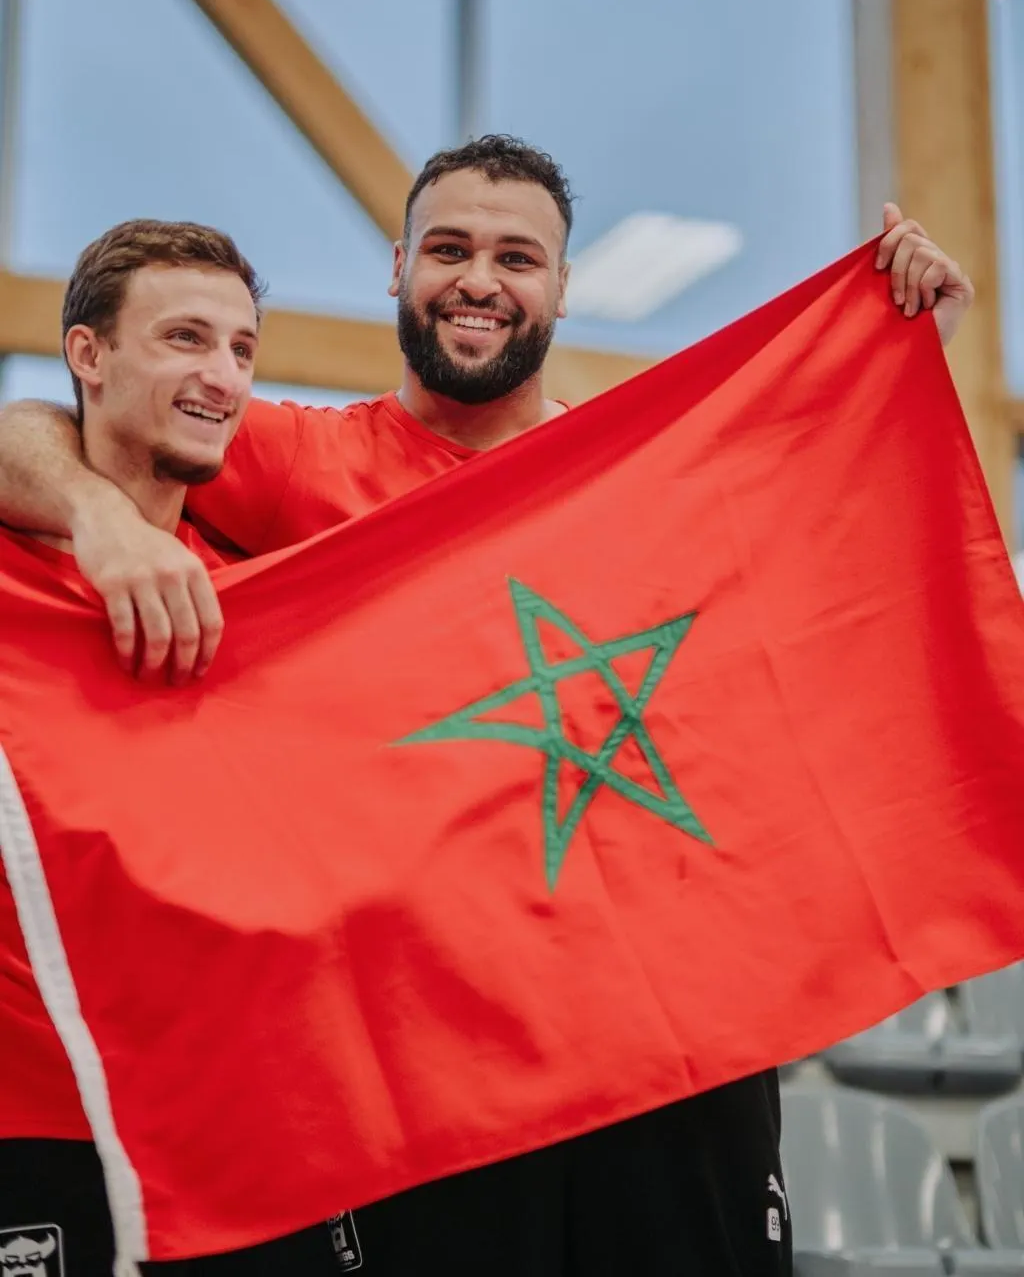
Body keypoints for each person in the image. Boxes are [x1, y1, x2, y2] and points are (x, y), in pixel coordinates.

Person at [0, 136, 975, 1276]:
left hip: (679, 1038)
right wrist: (100, 520)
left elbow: (835, 525)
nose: (479, 280)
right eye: (448, 249)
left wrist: (900, 350)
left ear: (562, 287)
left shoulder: (648, 478)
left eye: (517, 257)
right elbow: (50, 424)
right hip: (442, 1064)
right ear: (398, 267)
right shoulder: (299, 458)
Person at [0, 219, 353, 1276]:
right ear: (88, 354)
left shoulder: (274, 600)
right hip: (42, 1133)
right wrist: (93, 515)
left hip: (258, 1137)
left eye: (242, 349)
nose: (224, 376)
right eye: (186, 338)